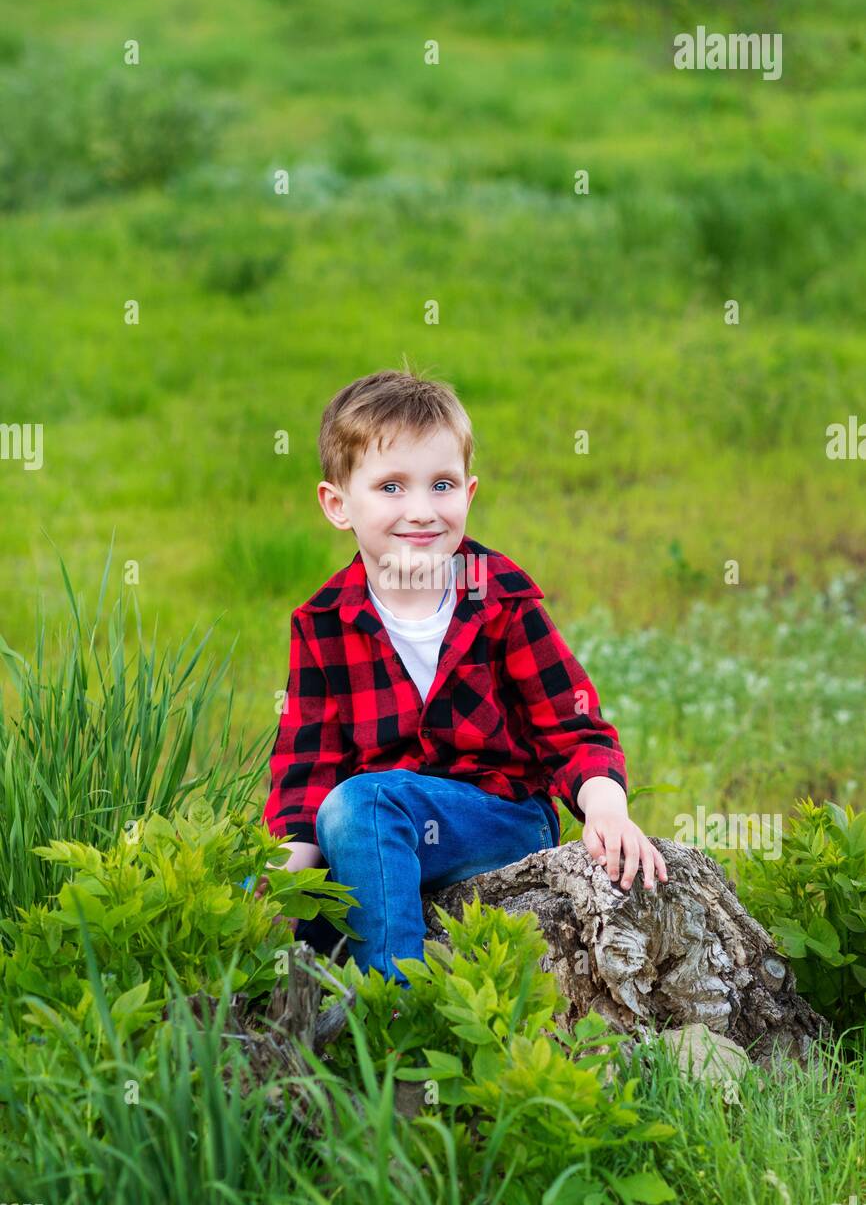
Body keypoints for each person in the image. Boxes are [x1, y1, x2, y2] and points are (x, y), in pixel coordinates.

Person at [257, 367, 667, 985]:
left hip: (500, 819)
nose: (421, 511)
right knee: (277, 888)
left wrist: (606, 808)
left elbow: (573, 727)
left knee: (362, 801)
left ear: (469, 494)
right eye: (391, 487)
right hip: (376, 833)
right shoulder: (321, 623)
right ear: (338, 504)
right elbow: (305, 770)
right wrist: (283, 879)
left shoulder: (499, 597)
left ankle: (398, 1014)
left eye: (441, 485)